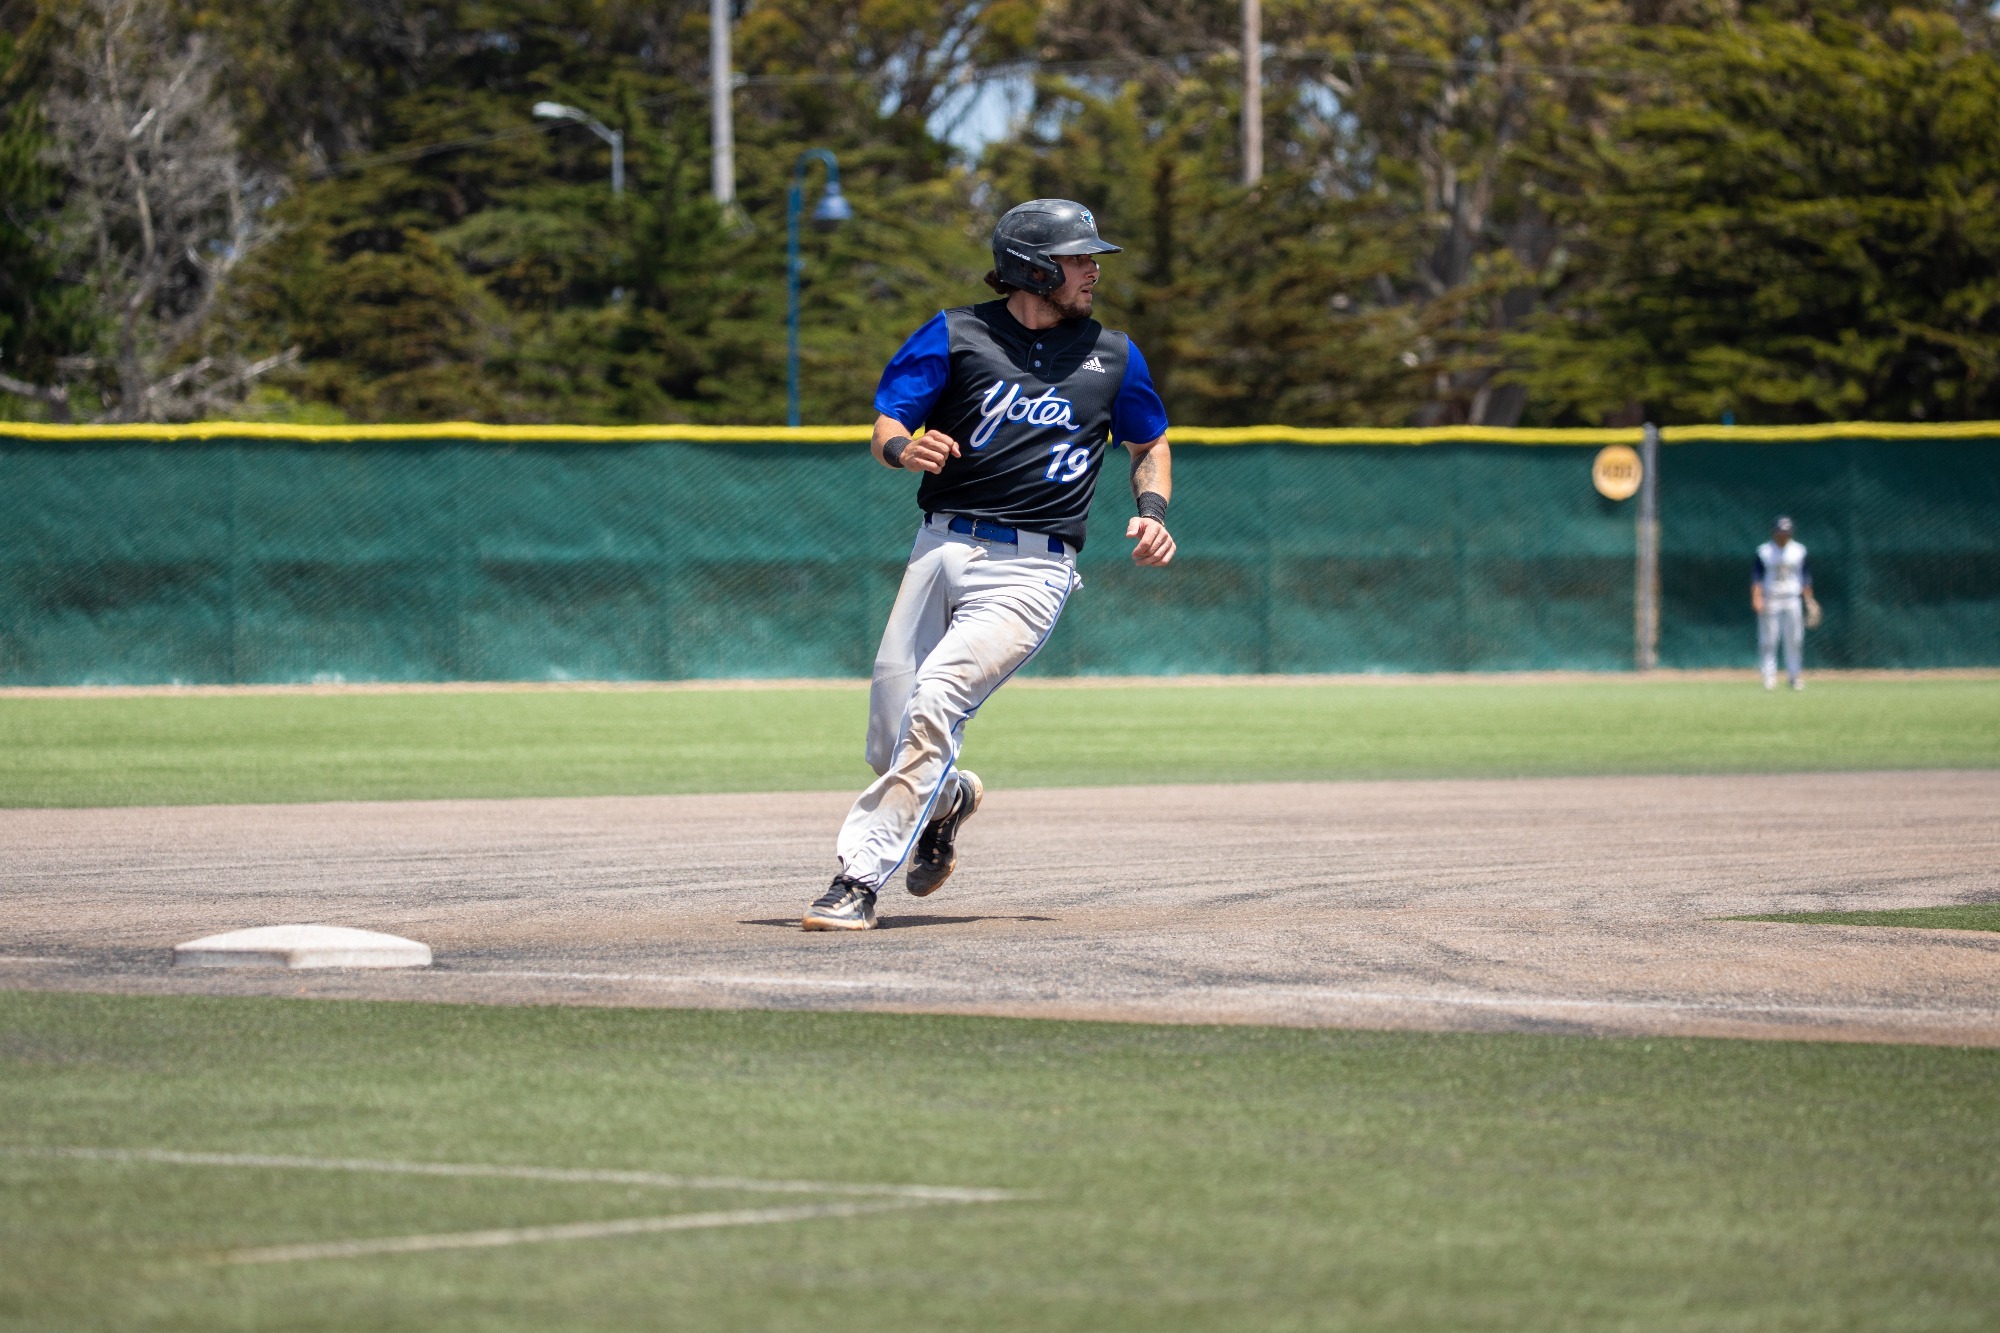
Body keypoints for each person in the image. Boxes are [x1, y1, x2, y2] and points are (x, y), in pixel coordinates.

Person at [802, 198, 1175, 930]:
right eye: (1077, 258)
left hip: (1031, 570)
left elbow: (1149, 443)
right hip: (938, 547)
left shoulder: (1114, 356)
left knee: (936, 699)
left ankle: (856, 879)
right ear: (1033, 269)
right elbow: (887, 425)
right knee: (888, 737)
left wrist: (1153, 512)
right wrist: (903, 449)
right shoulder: (956, 333)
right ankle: (947, 800)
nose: (1092, 269)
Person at [1752, 515, 1820, 690]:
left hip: (1792, 599)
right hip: (1771, 599)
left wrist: (1810, 601)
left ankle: (1794, 676)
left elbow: (1805, 578)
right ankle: (1769, 676)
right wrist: (1756, 598)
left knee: (1795, 639)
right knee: (1768, 640)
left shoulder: (1799, 550)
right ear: (1774, 532)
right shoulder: (1764, 551)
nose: (1784, 536)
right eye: (1780, 532)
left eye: (1787, 532)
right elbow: (1757, 578)